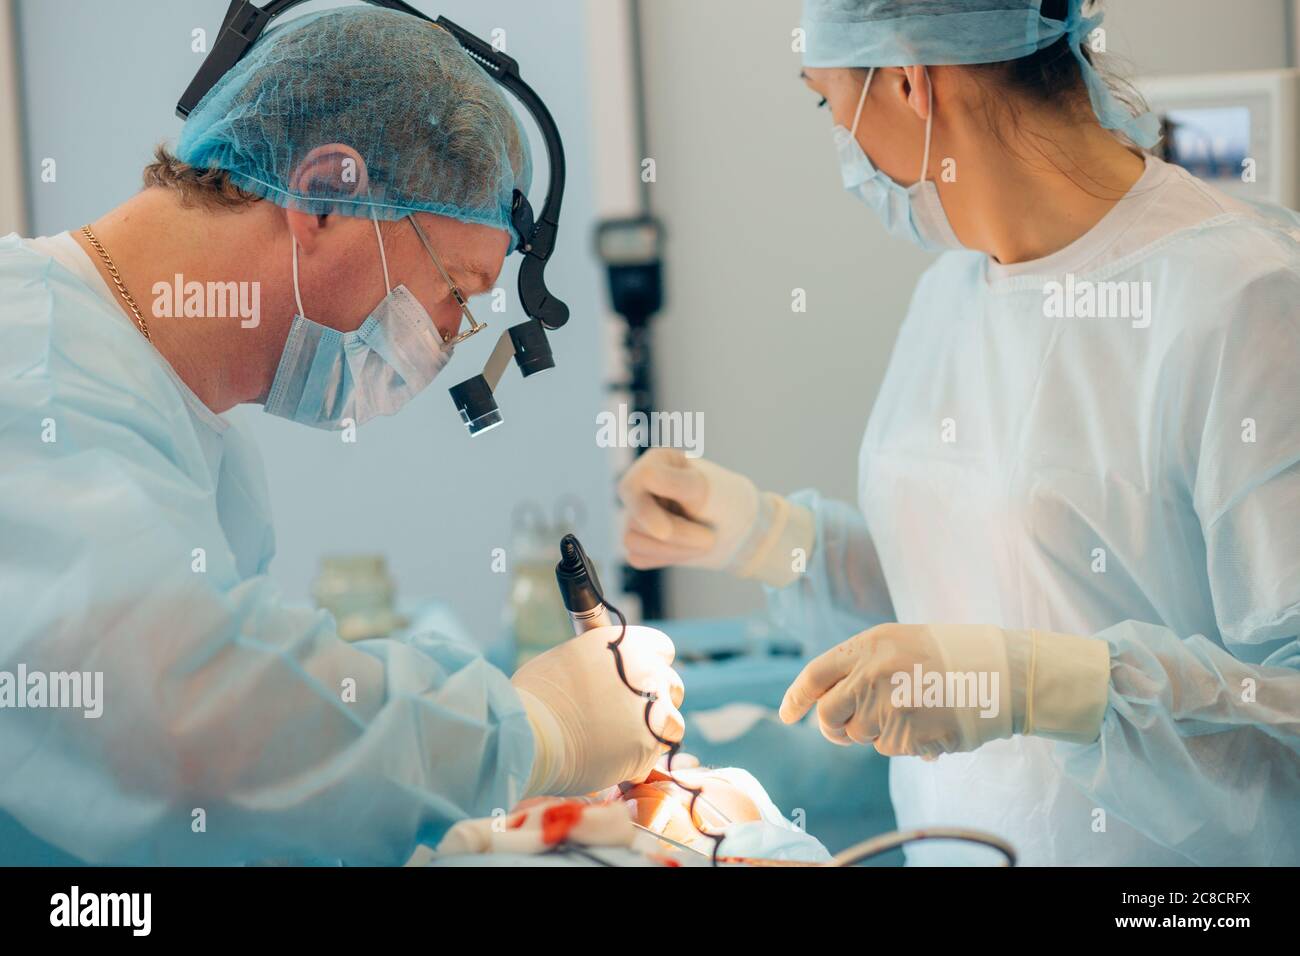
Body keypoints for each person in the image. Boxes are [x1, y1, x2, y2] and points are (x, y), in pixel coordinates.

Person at [620, 0, 1299, 865]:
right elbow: (962, 595)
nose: (838, 145)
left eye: (826, 103)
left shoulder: (1243, 299)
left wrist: (1040, 687)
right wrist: (770, 536)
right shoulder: (951, 294)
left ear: (909, 82)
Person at [0, 6, 683, 865]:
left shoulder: (196, 437)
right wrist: (530, 732)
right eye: (454, 293)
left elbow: (251, 723)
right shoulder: (29, 371)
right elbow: (188, 730)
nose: (445, 339)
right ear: (324, 195)